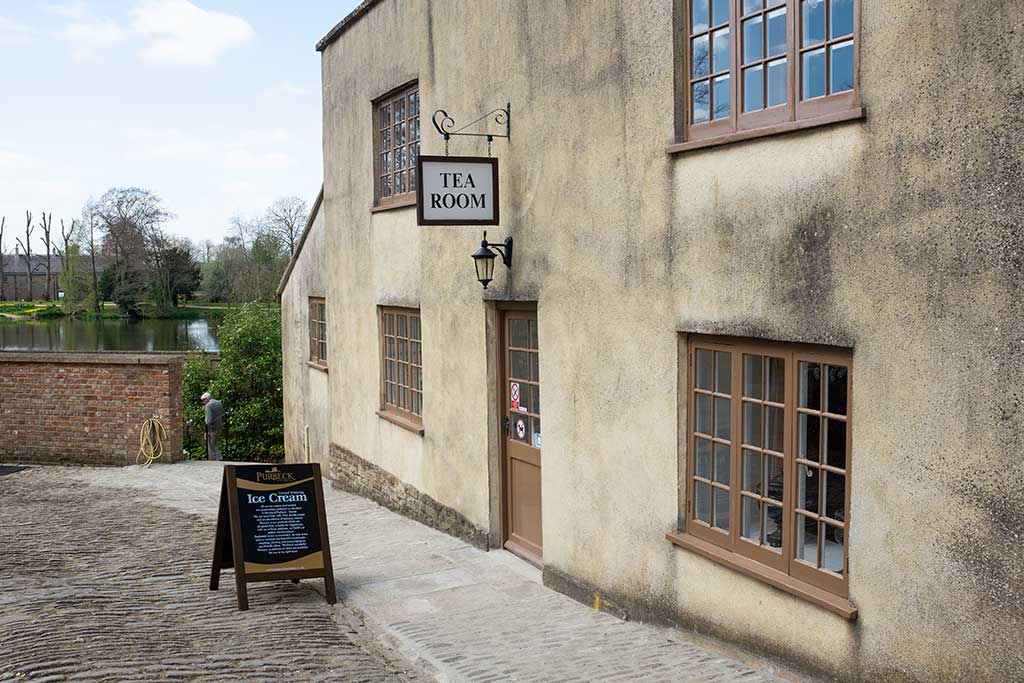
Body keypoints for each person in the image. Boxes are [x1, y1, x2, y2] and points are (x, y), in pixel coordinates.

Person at [201, 392, 225, 461]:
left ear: (206, 399)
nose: (203, 402)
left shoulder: (208, 406)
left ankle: (218, 459)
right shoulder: (218, 403)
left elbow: (208, 420)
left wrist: (207, 431)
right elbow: (223, 414)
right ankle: (217, 458)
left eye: (203, 400)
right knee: (214, 443)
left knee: (211, 445)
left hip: (212, 429)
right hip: (220, 426)